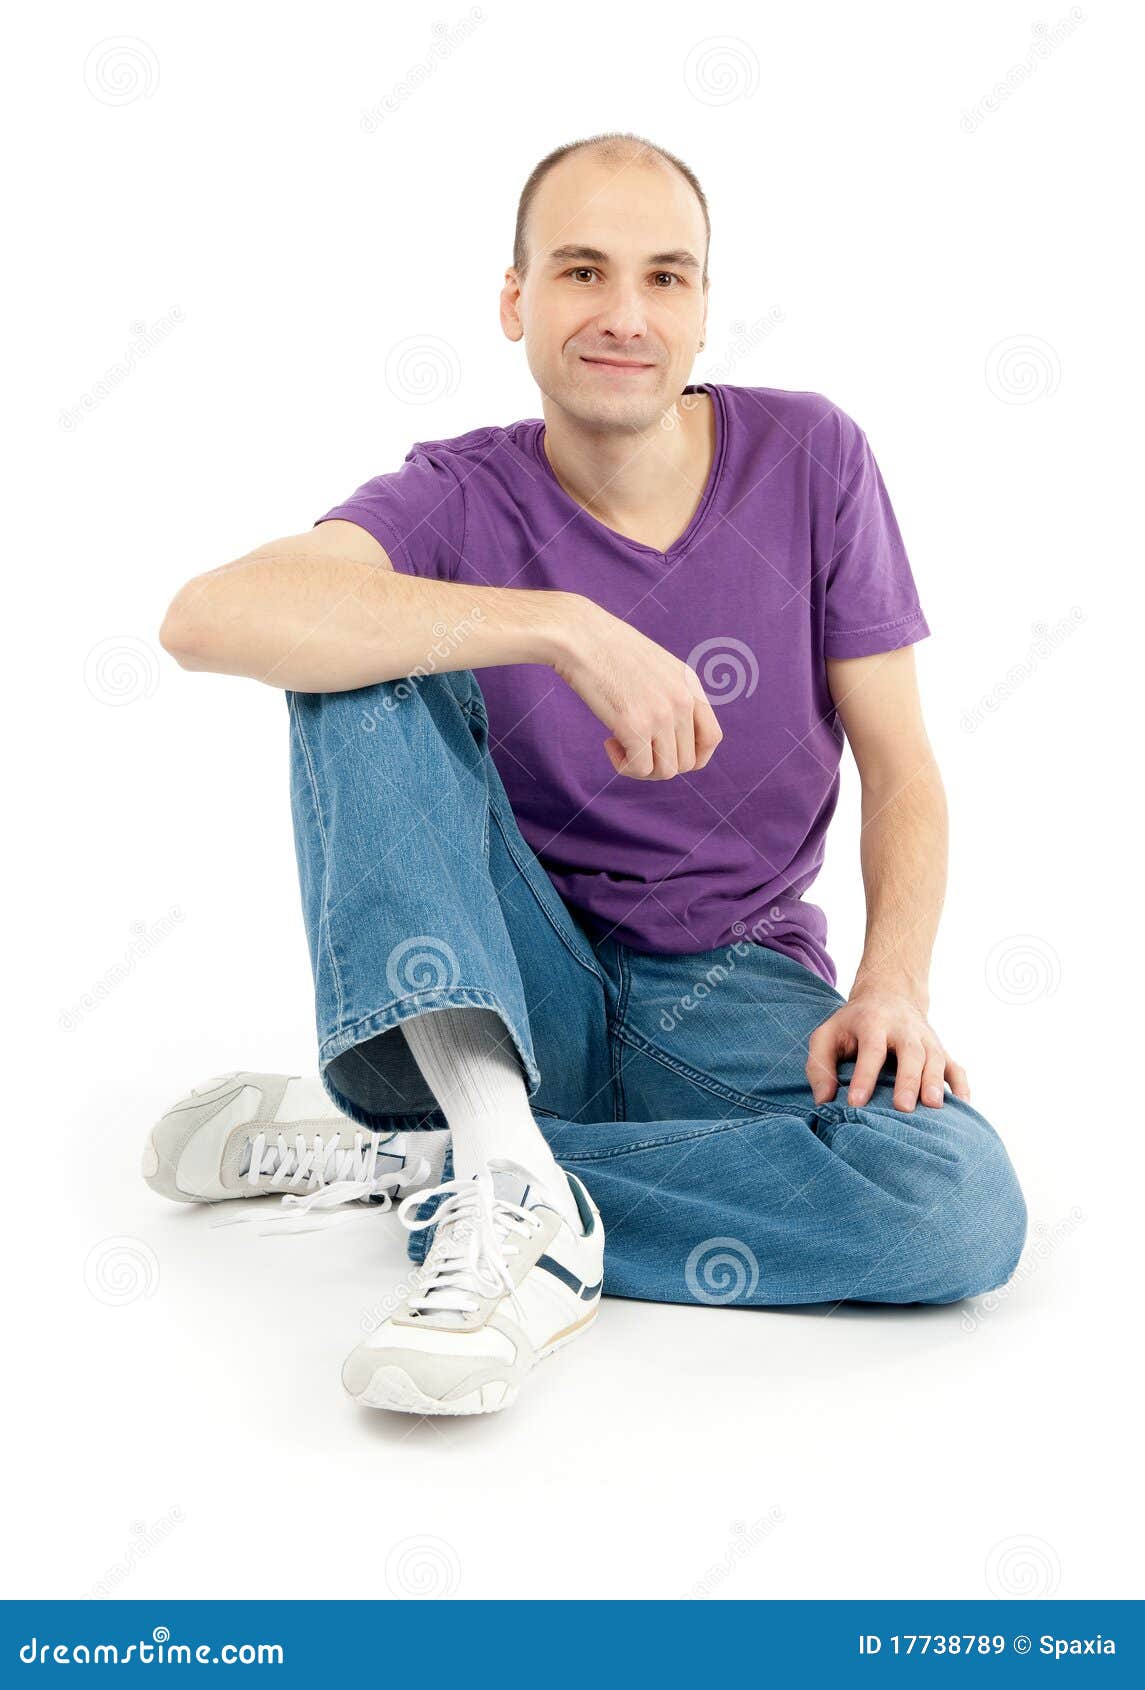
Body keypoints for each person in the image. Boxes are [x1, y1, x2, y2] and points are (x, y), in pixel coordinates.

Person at [149, 130, 1027, 1417]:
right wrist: (558, 624)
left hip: (730, 989)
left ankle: (460, 1166)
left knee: (954, 1206)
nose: (625, 314)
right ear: (515, 301)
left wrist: (893, 983)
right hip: (504, 991)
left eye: (666, 277)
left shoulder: (812, 460)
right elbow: (206, 617)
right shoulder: (457, 493)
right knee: (357, 653)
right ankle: (504, 1175)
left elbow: (903, 771)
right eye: (580, 272)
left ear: (703, 308)